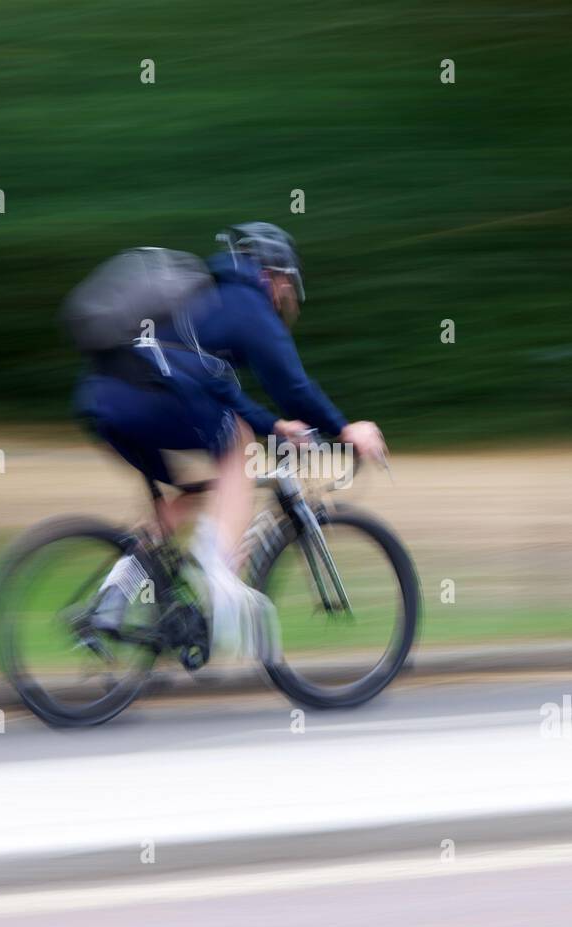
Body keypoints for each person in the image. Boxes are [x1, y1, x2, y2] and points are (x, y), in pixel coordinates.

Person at [75, 222, 387, 661]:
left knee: (192, 496)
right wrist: (344, 427)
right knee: (236, 443)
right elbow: (292, 385)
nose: (285, 298)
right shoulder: (246, 300)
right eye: (287, 286)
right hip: (149, 394)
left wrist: (276, 427)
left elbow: (220, 391)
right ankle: (216, 562)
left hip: (105, 401)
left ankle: (108, 603)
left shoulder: (205, 307)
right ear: (274, 275)